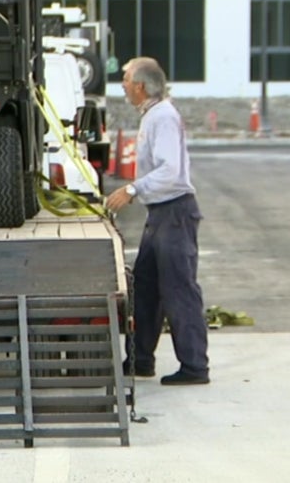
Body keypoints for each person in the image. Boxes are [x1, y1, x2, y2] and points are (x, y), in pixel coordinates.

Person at [105, 57, 209, 386]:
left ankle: (194, 367)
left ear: (141, 86)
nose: (121, 84)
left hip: (174, 212)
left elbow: (171, 170)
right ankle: (140, 360)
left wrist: (133, 189)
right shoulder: (153, 115)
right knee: (146, 288)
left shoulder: (162, 117)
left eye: (125, 78)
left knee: (179, 289)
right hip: (160, 214)